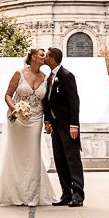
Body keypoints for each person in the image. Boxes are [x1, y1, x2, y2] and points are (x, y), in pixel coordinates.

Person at [0, 48, 57, 206]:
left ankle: (31, 194)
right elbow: (7, 95)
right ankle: (14, 192)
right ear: (33, 57)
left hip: (36, 118)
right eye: (41, 55)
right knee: (16, 154)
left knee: (33, 153)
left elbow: (46, 102)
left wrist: (48, 120)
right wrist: (15, 109)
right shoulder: (19, 73)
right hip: (17, 119)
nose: (44, 57)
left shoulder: (46, 78)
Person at [42, 47, 84, 207]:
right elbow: (48, 101)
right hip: (55, 126)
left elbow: (74, 101)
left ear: (52, 59)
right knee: (60, 160)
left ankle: (78, 195)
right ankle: (66, 194)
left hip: (68, 126)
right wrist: (47, 120)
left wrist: (74, 125)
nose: (44, 58)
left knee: (72, 160)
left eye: (46, 56)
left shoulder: (66, 76)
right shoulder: (49, 78)